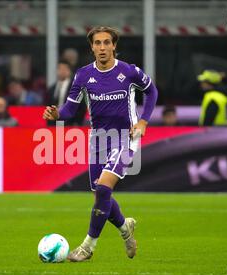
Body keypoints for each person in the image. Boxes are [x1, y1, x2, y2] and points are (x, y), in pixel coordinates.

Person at [43, 26, 158, 262]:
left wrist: (144, 121)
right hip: (98, 140)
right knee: (101, 196)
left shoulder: (128, 71)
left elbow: (152, 91)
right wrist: (57, 115)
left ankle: (88, 247)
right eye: (98, 43)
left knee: (105, 187)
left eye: (107, 43)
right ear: (92, 47)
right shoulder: (83, 75)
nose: (102, 48)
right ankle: (126, 230)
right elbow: (69, 109)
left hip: (126, 137)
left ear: (114, 45)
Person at [46, 60, 87, 126]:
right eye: (60, 69)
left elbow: (82, 108)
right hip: (54, 125)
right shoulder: (52, 89)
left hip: (71, 125)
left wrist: (77, 123)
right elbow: (48, 107)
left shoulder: (76, 88)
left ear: (69, 71)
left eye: (64, 69)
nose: (62, 71)